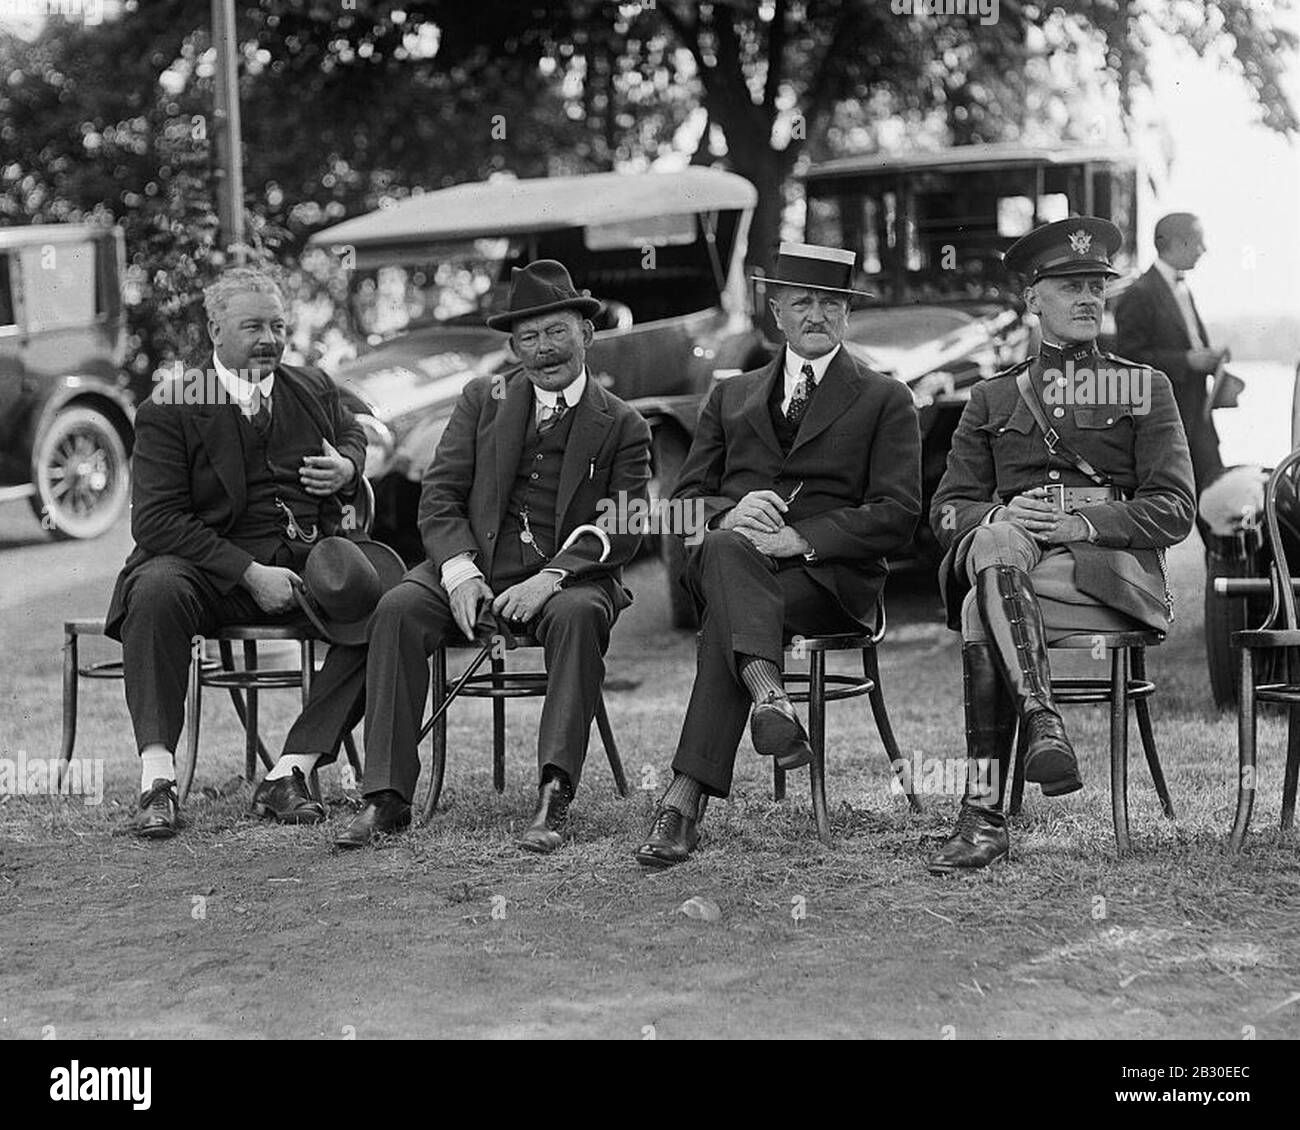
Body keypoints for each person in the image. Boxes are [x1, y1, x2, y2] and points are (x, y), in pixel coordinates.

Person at [280, 259, 652, 852]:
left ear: (586, 332)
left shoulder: (624, 423)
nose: (544, 350)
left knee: (579, 617)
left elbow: (626, 523)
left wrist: (553, 577)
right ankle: (387, 797)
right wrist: (458, 572)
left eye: (556, 332)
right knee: (398, 607)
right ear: (513, 346)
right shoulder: (484, 397)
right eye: (528, 337)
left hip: (573, 580)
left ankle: (553, 798)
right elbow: (441, 495)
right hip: (474, 566)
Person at [634, 242, 923, 868]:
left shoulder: (885, 398)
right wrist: (728, 513)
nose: (817, 315)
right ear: (776, 313)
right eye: (803, 304)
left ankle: (685, 799)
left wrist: (802, 538)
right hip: (737, 565)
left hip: (828, 586)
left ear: (846, 313)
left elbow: (900, 515)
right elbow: (684, 506)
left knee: (727, 614)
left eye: (831, 303)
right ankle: (769, 699)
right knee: (721, 543)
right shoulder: (730, 397)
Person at [926, 217, 1195, 875]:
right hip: (1016, 563)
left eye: (1097, 286)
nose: (1088, 299)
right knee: (993, 539)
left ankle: (983, 816)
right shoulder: (990, 397)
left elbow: (1176, 508)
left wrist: (1085, 523)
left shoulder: (1143, 386)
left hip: (1109, 578)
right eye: (1071, 286)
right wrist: (1000, 510)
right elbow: (946, 511)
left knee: (977, 610)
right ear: (1033, 299)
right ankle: (1041, 724)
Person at [104, 267, 367, 839]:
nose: (270, 339)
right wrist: (248, 573)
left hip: (302, 571)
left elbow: (355, 430)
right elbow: (154, 520)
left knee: (389, 611)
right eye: (253, 327)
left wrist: (348, 463)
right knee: (153, 589)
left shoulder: (312, 388)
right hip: (207, 577)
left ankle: (289, 772)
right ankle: (157, 782)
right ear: (215, 329)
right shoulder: (173, 403)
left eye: (277, 325)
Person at [1115, 212, 1227, 537]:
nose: (1204, 249)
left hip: (1198, 419)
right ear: (1179, 243)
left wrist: (1209, 361)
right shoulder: (1138, 293)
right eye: (1199, 241)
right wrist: (1187, 361)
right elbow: (1128, 362)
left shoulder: (1181, 288)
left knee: (1217, 508)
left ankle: (1225, 584)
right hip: (1164, 423)